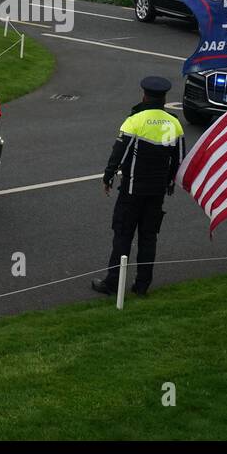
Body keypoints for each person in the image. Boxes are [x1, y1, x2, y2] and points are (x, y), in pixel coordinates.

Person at [92, 76, 185, 298]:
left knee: (123, 235)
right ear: (164, 98)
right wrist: (170, 183)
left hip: (132, 191)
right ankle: (142, 285)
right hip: (156, 192)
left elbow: (119, 152)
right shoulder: (174, 123)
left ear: (144, 96)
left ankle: (113, 283)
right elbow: (179, 160)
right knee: (148, 237)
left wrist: (108, 176)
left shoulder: (135, 121)